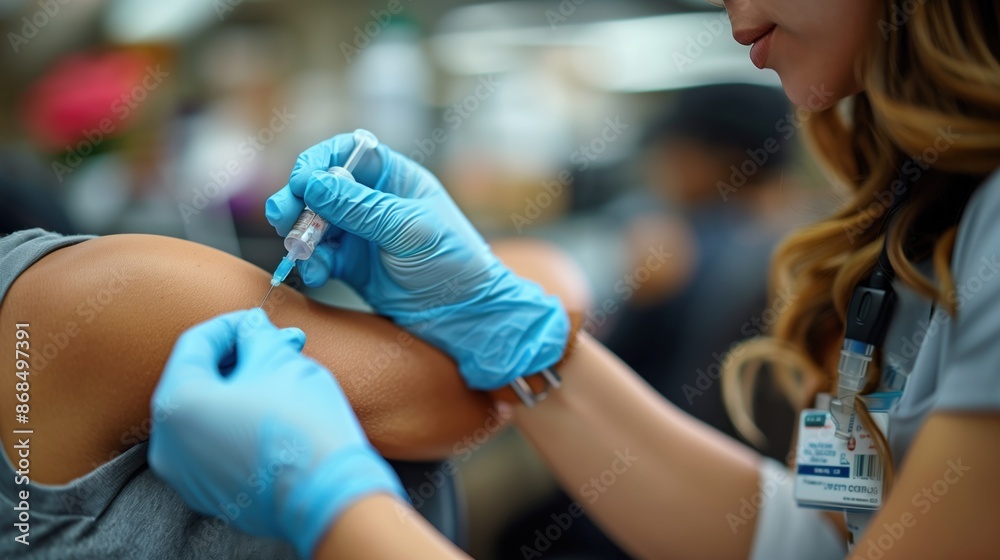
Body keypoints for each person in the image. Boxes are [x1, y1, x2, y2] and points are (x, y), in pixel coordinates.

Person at [48, 1, 1000, 560]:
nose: (735, 11)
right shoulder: (950, 206)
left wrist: (339, 509)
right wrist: (506, 332)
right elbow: (813, 545)